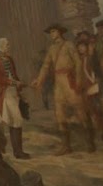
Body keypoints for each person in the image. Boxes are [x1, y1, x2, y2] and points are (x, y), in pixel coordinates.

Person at [34, 22, 94, 153]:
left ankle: (90, 142)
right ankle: (66, 146)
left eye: (54, 31)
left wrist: (78, 82)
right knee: (60, 113)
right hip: (58, 82)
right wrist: (39, 80)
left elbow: (78, 63)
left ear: (60, 32)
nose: (52, 34)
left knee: (80, 110)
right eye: (50, 32)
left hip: (69, 80)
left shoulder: (69, 45)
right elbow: (46, 65)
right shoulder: (51, 49)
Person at [0, 37, 29, 159]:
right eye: (7, 45)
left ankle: (18, 151)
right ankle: (11, 151)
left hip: (13, 91)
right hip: (3, 93)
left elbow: (14, 75)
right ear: (1, 46)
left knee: (16, 120)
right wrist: (14, 83)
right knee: (14, 118)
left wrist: (19, 86)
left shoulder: (9, 59)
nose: (9, 47)